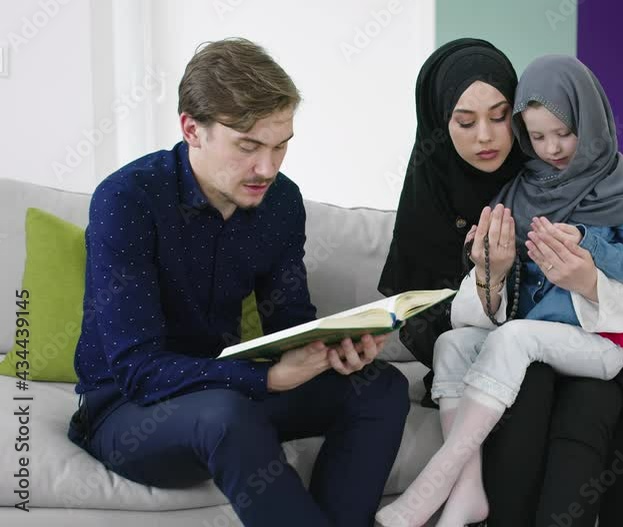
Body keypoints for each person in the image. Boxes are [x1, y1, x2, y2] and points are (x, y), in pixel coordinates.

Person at [67, 38, 409, 527]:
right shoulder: (127, 201)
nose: (267, 168)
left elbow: (289, 322)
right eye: (248, 146)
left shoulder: (282, 202)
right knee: (225, 415)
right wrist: (266, 377)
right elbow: (138, 370)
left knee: (381, 387)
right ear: (192, 129)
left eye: (280, 145)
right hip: (128, 411)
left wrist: (335, 350)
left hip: (230, 396)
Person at [378, 40, 623, 527]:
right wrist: (490, 279)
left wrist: (588, 278)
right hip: (504, 357)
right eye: (464, 122)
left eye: (500, 115)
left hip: (586, 347)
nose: (486, 136)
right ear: (439, 123)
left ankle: (450, 481)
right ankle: (464, 491)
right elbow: (422, 325)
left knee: (573, 417)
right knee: (481, 358)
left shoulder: (599, 180)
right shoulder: (483, 192)